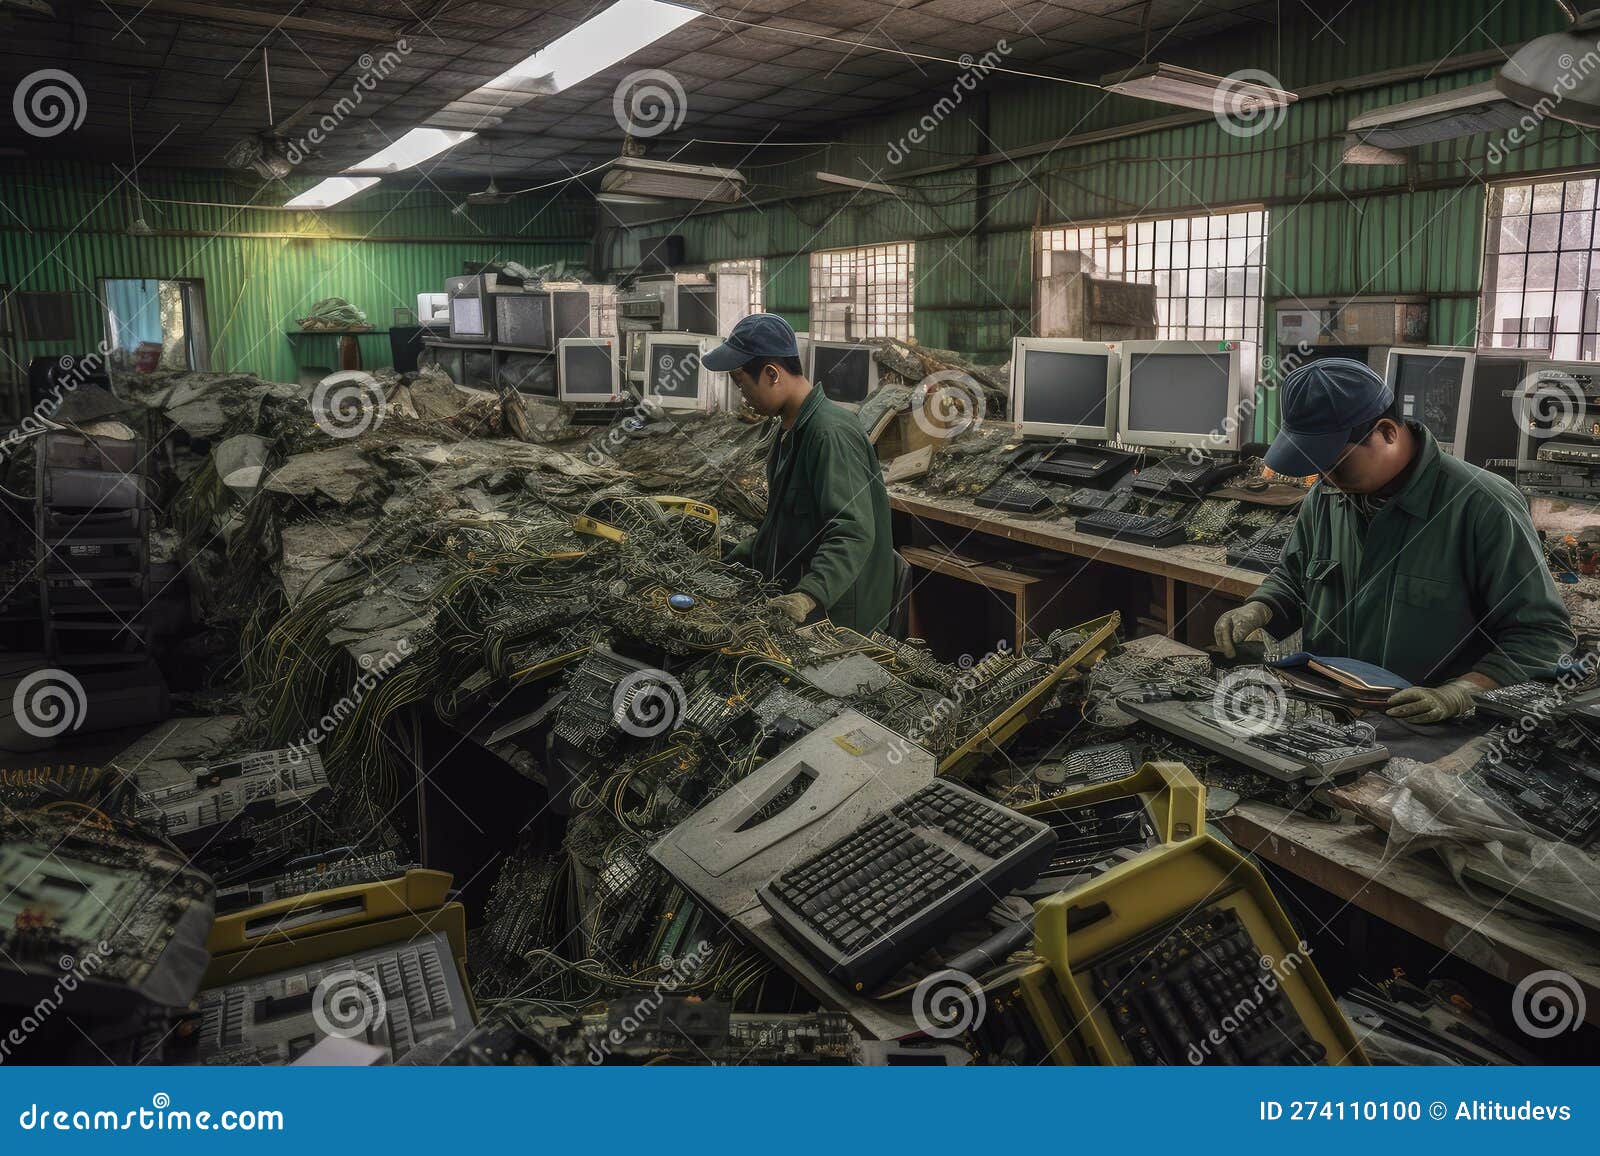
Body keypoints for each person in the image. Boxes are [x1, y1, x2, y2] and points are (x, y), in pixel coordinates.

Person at [1213, 357, 1575, 724]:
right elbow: (1295, 578)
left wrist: (1461, 693)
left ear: (1386, 431)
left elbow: (1542, 635)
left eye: (1335, 463)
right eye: (1313, 464)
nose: (1324, 477)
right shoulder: (1327, 496)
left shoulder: (1481, 505)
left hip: (1436, 734)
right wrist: (1260, 608)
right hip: (1336, 717)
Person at [702, 313, 896, 633]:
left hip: (839, 619)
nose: (742, 396)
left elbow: (852, 532)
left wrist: (807, 596)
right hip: (799, 594)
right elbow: (779, 527)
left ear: (771, 374)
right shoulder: (790, 430)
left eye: (741, 383)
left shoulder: (828, 434)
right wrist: (727, 564)